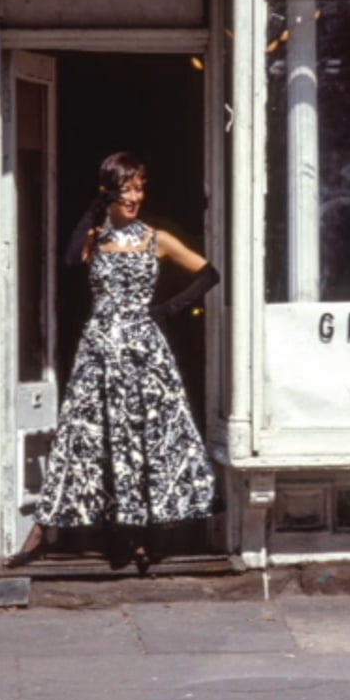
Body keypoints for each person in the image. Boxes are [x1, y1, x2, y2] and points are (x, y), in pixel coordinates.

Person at [28, 152, 221, 574]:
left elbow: (209, 274)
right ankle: (50, 531)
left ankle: (142, 536)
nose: (135, 196)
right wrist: (98, 207)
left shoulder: (156, 239)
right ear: (109, 190)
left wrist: (166, 310)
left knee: (144, 437)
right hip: (99, 348)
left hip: (143, 351)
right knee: (85, 434)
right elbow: (68, 262)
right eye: (126, 188)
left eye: (139, 187)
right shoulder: (95, 237)